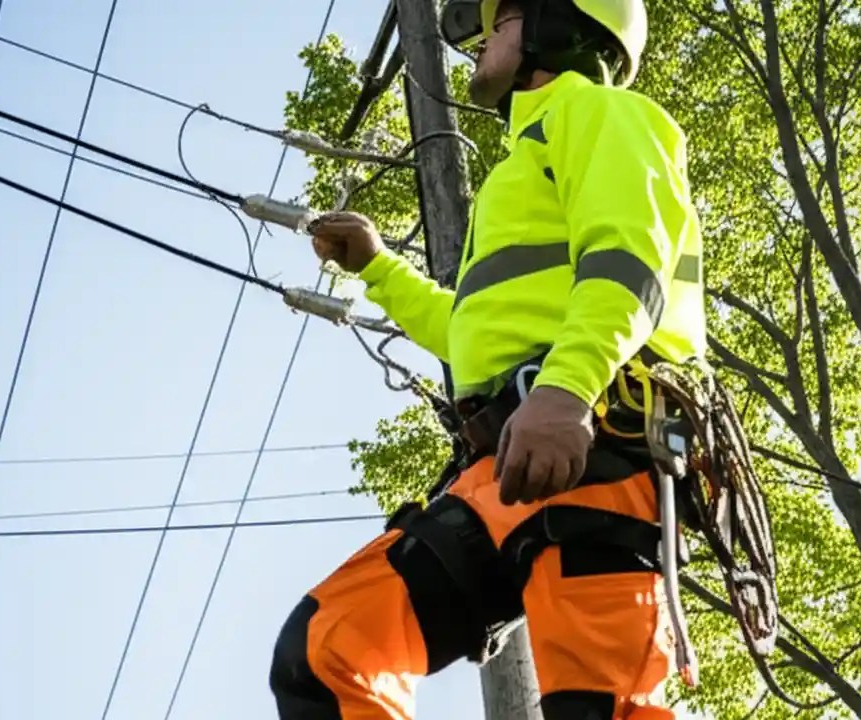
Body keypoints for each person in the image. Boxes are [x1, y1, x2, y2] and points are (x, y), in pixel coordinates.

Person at [269, 0, 706, 717]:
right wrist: (378, 266)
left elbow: (632, 267)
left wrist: (563, 394)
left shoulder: (602, 115)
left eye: (498, 21)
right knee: (325, 652)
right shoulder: (521, 165)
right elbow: (473, 332)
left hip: (598, 449)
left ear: (556, 23)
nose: (477, 41)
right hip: (509, 470)